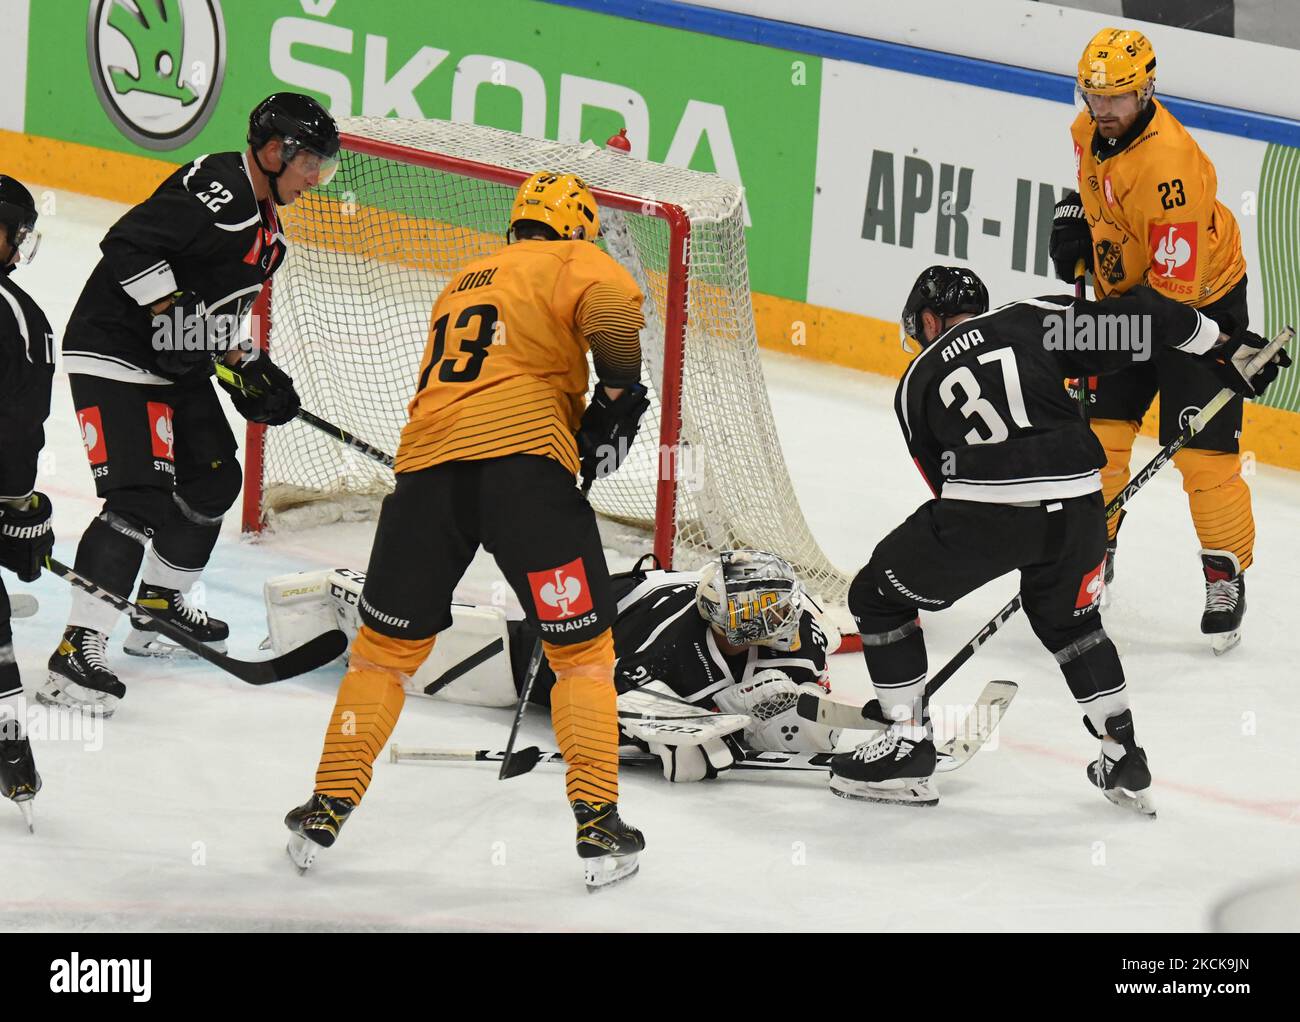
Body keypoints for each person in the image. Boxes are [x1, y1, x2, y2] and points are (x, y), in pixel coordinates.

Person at [284, 170, 652, 891]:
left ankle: (327, 804)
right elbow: (613, 313)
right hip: (527, 485)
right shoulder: (576, 259)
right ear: (575, 225)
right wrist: (617, 397)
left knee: (382, 656)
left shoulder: (465, 278)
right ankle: (599, 823)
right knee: (579, 655)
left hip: (427, 480)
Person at [828, 265, 1287, 812]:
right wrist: (1223, 347)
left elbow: (946, 486)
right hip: (1079, 508)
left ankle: (906, 741)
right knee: (1075, 625)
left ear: (928, 321)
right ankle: (1123, 754)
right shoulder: (1033, 321)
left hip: (986, 514)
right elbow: (1150, 318)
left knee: (877, 596)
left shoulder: (917, 381)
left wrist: (1010, 538)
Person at [43, 94, 338, 715]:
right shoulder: (222, 186)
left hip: (167, 362)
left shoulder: (264, 225)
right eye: (310, 161)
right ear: (274, 150)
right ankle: (76, 650)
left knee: (213, 479)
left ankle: (155, 606)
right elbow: (127, 244)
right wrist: (167, 311)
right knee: (138, 498)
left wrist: (249, 367)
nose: (316, 177)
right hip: (115, 353)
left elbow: (216, 313)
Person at [1050, 28, 1254, 653]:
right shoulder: (1089, 131)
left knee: (1204, 454)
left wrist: (1109, 324)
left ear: (1147, 90)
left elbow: (1170, 299)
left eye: (1120, 97)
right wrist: (1076, 227)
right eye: (1095, 95)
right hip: (1129, 296)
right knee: (1096, 440)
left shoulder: (1172, 171)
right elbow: (1103, 201)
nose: (1105, 109)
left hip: (1196, 306)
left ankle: (1225, 571)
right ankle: (1093, 554)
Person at [513, 550, 840, 781]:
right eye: (772, 611)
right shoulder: (669, 649)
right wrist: (658, 732)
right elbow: (590, 695)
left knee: (810, 730)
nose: (788, 615)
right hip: (546, 644)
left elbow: (815, 685)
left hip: (635, 596)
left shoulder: (800, 634)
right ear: (741, 626)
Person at [0, 174, 55, 827]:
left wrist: (15, 505)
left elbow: (17, 430)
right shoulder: (21, 318)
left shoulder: (17, 320)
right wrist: (17, 510)